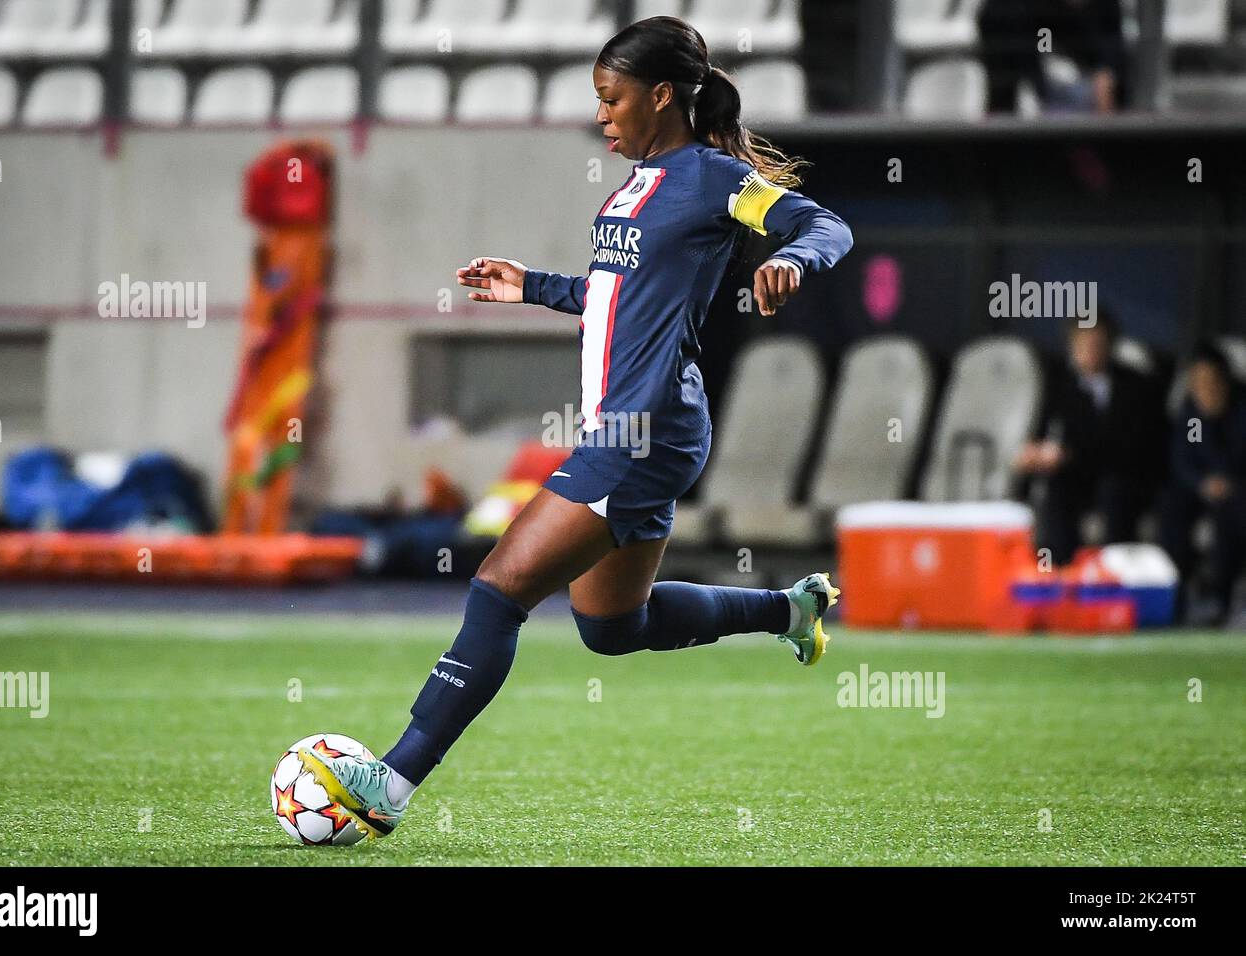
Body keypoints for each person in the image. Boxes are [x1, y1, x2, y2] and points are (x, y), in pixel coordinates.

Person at [298, 17, 854, 838]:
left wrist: (791, 259)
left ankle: (392, 781)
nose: (602, 117)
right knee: (610, 629)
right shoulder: (633, 183)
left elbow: (824, 225)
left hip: (641, 431)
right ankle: (788, 611)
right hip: (638, 429)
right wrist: (535, 285)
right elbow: (617, 298)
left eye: (612, 98)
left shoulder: (712, 179)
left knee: (497, 590)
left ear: (661, 95)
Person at [1015, 312, 1164, 565]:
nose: (1090, 351)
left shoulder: (1136, 387)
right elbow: (1042, 430)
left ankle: (1114, 574)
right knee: (1057, 488)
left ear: (1110, 345)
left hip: (1124, 476)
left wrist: (1069, 455)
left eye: (1097, 344)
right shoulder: (1062, 385)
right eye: (1083, 344)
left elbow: (1133, 447)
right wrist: (1035, 452)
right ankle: (1061, 570)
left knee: (1114, 491)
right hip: (1078, 475)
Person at [1159, 344, 1246, 624]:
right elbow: (1182, 461)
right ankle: (1175, 596)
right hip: (1201, 490)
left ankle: (1221, 598)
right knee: (1172, 507)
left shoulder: (1241, 411)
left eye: (1212, 382)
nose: (1206, 390)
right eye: (1199, 383)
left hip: (1237, 491)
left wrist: (1227, 482)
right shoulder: (1192, 416)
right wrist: (1202, 482)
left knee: (1231, 511)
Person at [979, 0, 1127, 114]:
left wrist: (1106, 72)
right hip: (1032, 91)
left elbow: (1111, 43)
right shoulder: (1010, 12)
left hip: (1081, 89)